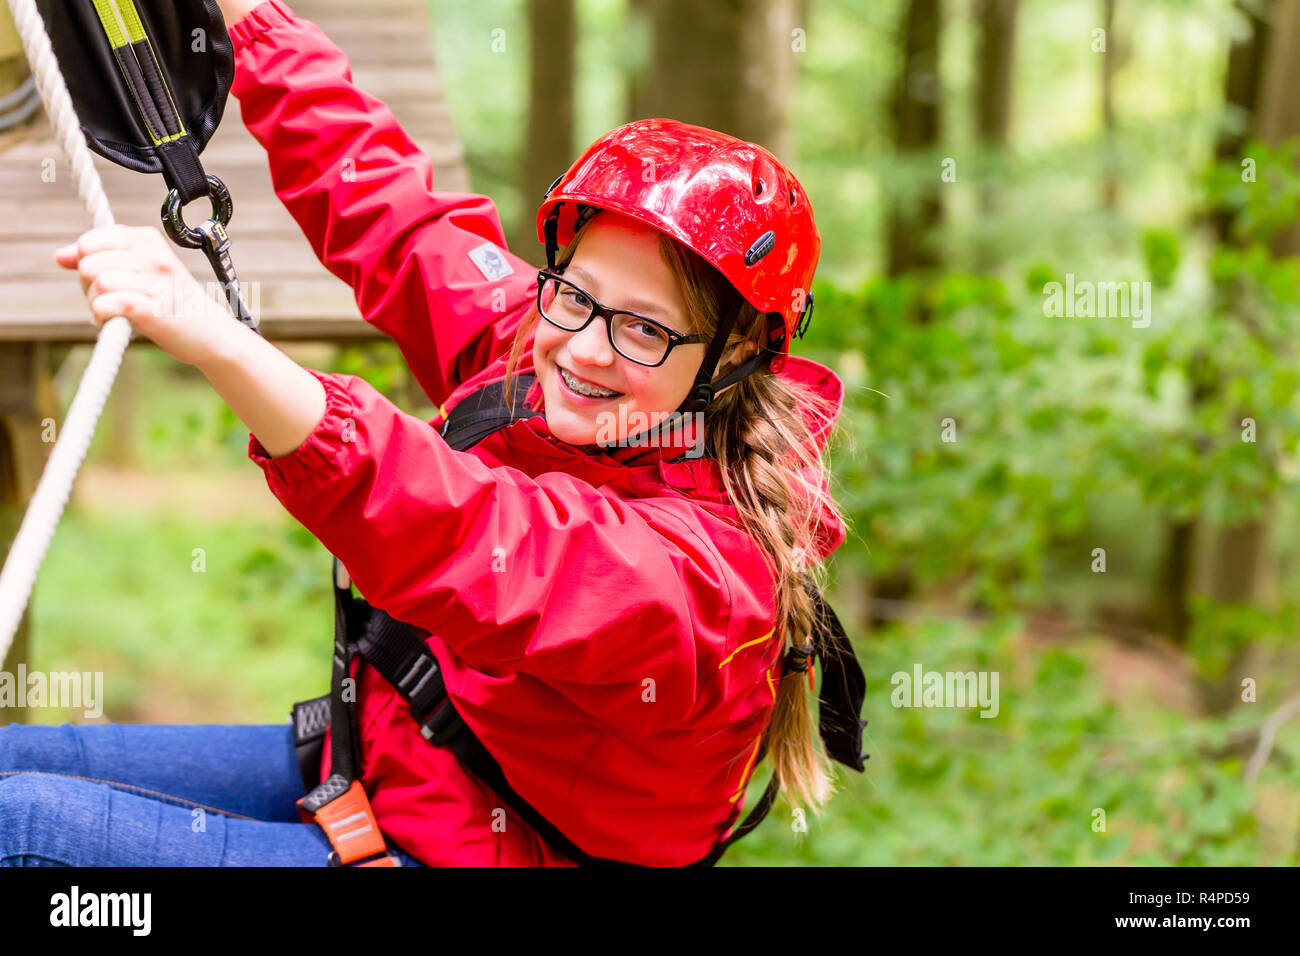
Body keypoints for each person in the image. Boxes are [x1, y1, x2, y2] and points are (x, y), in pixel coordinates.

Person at [0, 0, 852, 867]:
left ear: (736, 353)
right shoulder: (545, 346)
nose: (587, 349)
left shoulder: (710, 583)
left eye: (645, 329)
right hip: (386, 773)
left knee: (22, 831)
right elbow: (396, 218)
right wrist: (251, 23)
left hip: (467, 850)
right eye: (578, 292)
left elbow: (482, 536)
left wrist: (216, 339)